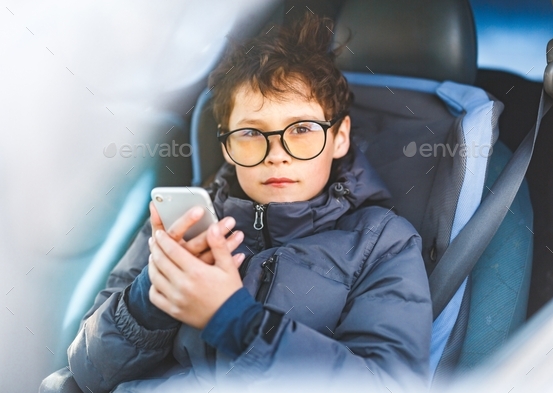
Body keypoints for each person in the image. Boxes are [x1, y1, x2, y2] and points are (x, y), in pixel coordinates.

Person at [40, 13, 432, 393]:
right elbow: (88, 374)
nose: (276, 154)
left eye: (301, 129)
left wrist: (233, 320)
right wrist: (150, 299)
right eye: (249, 133)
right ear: (226, 145)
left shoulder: (382, 243)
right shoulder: (186, 223)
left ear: (340, 137)